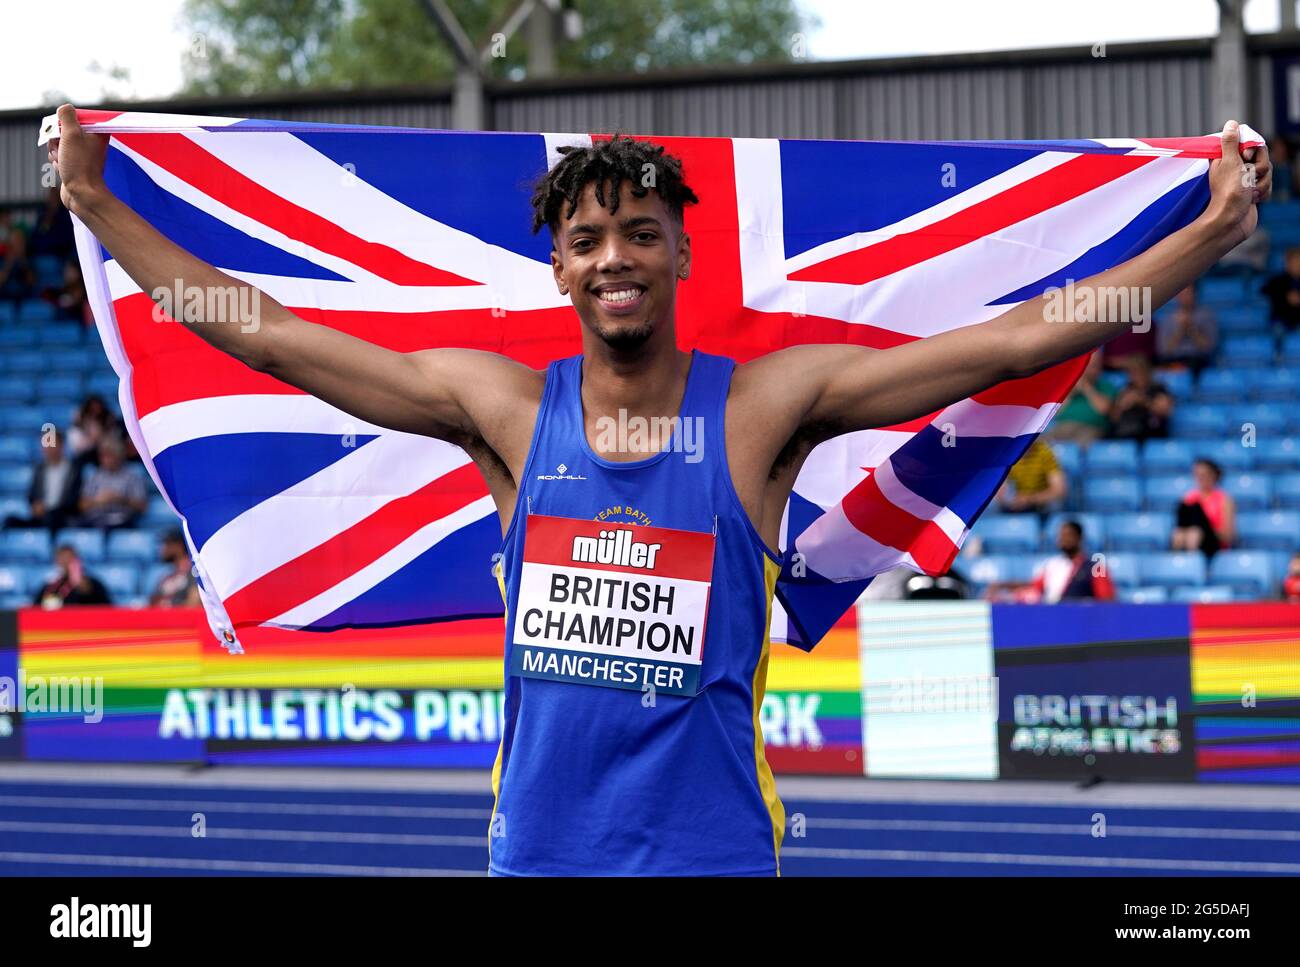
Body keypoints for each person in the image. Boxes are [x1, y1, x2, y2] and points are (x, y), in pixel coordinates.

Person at [48, 103, 1270, 875]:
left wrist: (1207, 235)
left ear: (682, 252)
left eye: (639, 231)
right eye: (586, 240)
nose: (614, 256)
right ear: (559, 268)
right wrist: (98, 202)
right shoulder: (507, 412)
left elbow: (1011, 345)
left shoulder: (764, 407)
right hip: (538, 853)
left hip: (714, 853)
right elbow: (266, 337)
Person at [985, 520, 1115, 604]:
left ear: (1079, 538)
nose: (1062, 539)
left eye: (1067, 535)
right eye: (1060, 536)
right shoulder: (1053, 565)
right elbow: (1035, 586)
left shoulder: (1095, 567)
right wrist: (1003, 585)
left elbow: (1106, 601)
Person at [3, 429, 82, 532]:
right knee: (9, 521)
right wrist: (35, 505)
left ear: (61, 445)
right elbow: (32, 495)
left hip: (62, 517)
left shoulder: (74, 470)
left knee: (53, 517)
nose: (47, 447)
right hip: (40, 517)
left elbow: (73, 500)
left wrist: (48, 508)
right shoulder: (39, 469)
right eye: (45, 444)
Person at [1046, 350, 1118, 445]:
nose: (1091, 370)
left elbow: (1104, 409)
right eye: (1088, 366)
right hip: (1062, 427)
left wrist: (1086, 388)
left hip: (1090, 428)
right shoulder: (1068, 386)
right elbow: (1054, 413)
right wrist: (1070, 393)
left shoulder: (1106, 386)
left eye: (1095, 366)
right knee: (1037, 445)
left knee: (1081, 444)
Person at [75, 439, 148, 531]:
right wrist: (97, 501)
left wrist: (120, 499)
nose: (106, 460)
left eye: (110, 456)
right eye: (103, 457)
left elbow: (142, 506)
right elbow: (82, 505)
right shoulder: (95, 476)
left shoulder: (133, 476)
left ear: (120, 456)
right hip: (96, 519)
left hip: (122, 520)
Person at [1171, 457, 1235, 558]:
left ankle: (1194, 565)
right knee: (1179, 534)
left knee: (1195, 532)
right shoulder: (1188, 498)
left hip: (1214, 545)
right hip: (1189, 540)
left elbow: (1228, 537)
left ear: (1214, 475)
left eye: (1204, 474)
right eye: (1197, 475)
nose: (1201, 478)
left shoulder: (1225, 500)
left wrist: (1205, 530)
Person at [1108, 355, 1173, 440]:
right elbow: (1114, 417)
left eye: (1139, 372)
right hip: (1126, 436)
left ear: (1147, 372)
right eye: (1132, 373)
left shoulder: (1157, 389)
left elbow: (1166, 410)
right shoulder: (1125, 389)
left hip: (1152, 436)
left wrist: (1143, 401)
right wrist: (1122, 406)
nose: (1136, 376)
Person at [996, 438, 1068, 514]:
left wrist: (1030, 499)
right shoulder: (1008, 455)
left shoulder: (1045, 452)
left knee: (1053, 506)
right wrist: (1009, 500)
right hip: (1019, 504)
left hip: (1041, 505)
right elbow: (1000, 489)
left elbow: (1059, 491)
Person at [1157, 285, 1217, 374]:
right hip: (1174, 361)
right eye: (1182, 294)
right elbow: (1164, 350)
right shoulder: (1168, 319)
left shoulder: (1206, 316)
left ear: (1195, 294)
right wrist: (1180, 330)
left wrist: (1191, 328)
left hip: (1198, 360)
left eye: (1188, 294)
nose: (1185, 298)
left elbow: (1208, 347)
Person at [32, 545, 111, 608]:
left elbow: (105, 607)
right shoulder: (50, 586)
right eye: (62, 558)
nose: (66, 562)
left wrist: (82, 587)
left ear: (77, 559)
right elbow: (37, 609)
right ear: (56, 562)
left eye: (69, 558)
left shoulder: (93, 584)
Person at [149, 529, 200, 607]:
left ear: (178, 546)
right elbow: (153, 603)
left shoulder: (194, 572)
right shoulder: (168, 575)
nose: (162, 548)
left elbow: (194, 603)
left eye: (167, 544)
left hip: (182, 618)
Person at [1261, 246, 1300, 332]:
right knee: (1278, 327)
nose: (1298, 265)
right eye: (1295, 262)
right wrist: (1286, 297)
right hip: (1282, 319)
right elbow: (1264, 292)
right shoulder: (1276, 281)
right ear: (1287, 263)